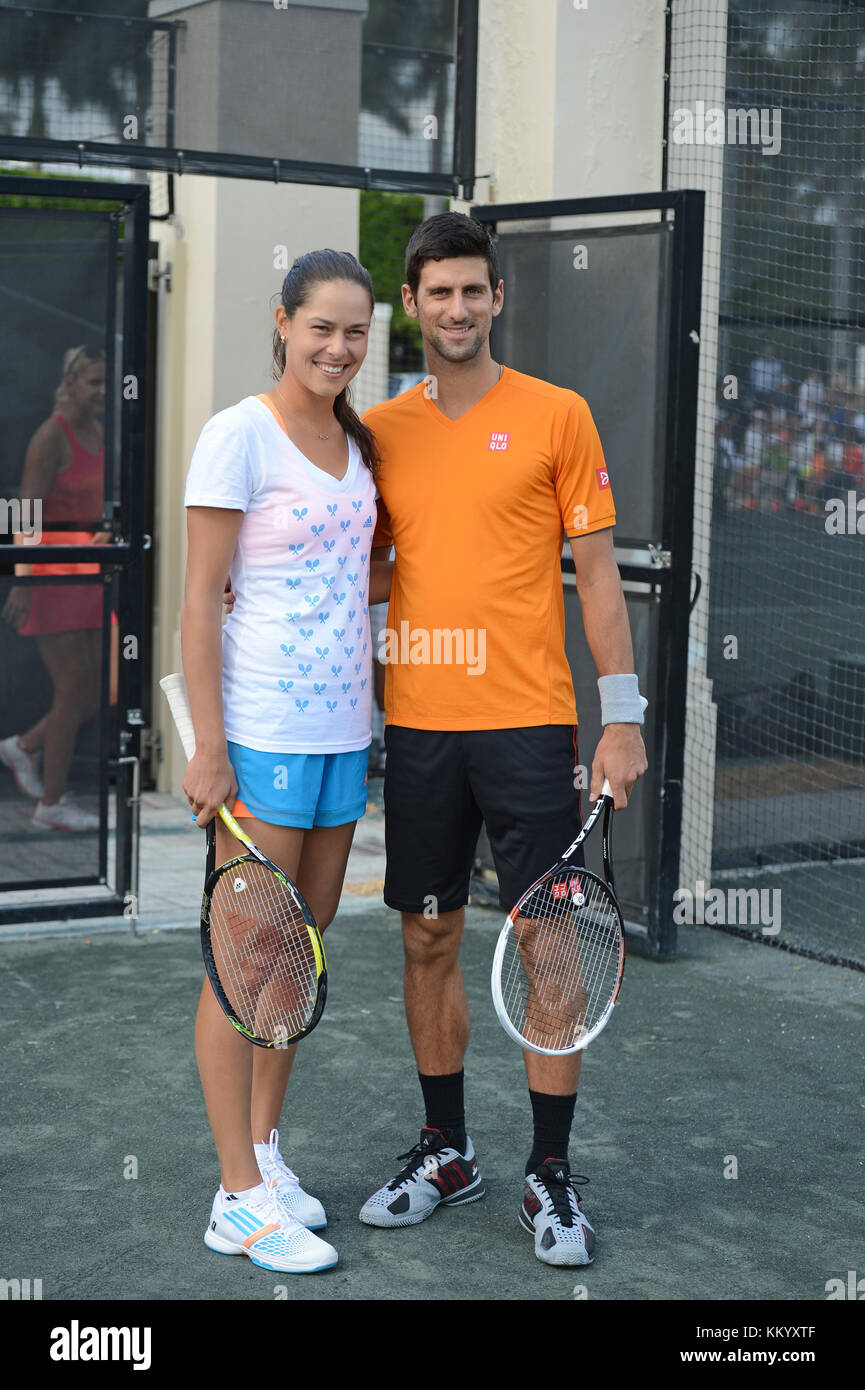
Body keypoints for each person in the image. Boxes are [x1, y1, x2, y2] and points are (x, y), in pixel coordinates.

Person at [358, 213, 648, 1267]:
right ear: (412, 303)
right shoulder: (380, 430)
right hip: (422, 731)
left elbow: (600, 575)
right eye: (438, 293)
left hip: (531, 731)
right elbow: (376, 568)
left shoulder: (557, 416)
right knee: (425, 937)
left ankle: (549, 1171)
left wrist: (624, 715)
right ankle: (447, 1149)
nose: (457, 309)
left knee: (545, 944)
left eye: (473, 290)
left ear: (496, 297)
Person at [181, 249, 392, 1275]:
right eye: (322, 328)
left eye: (356, 331)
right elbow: (198, 598)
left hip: (343, 735)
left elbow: (361, 569)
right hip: (257, 738)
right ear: (283, 322)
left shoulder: (357, 439)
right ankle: (233, 1199)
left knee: (298, 959)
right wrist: (207, 747)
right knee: (245, 961)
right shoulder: (237, 435)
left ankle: (266, 1156)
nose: (339, 347)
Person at [0, 344, 115, 832]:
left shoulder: (99, 430)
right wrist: (22, 580)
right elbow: (22, 509)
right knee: (73, 689)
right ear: (69, 384)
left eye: (107, 383)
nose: (103, 392)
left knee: (102, 687)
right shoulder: (52, 435)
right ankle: (51, 803)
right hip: (51, 577)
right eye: (93, 383)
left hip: (88, 574)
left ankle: (22, 746)